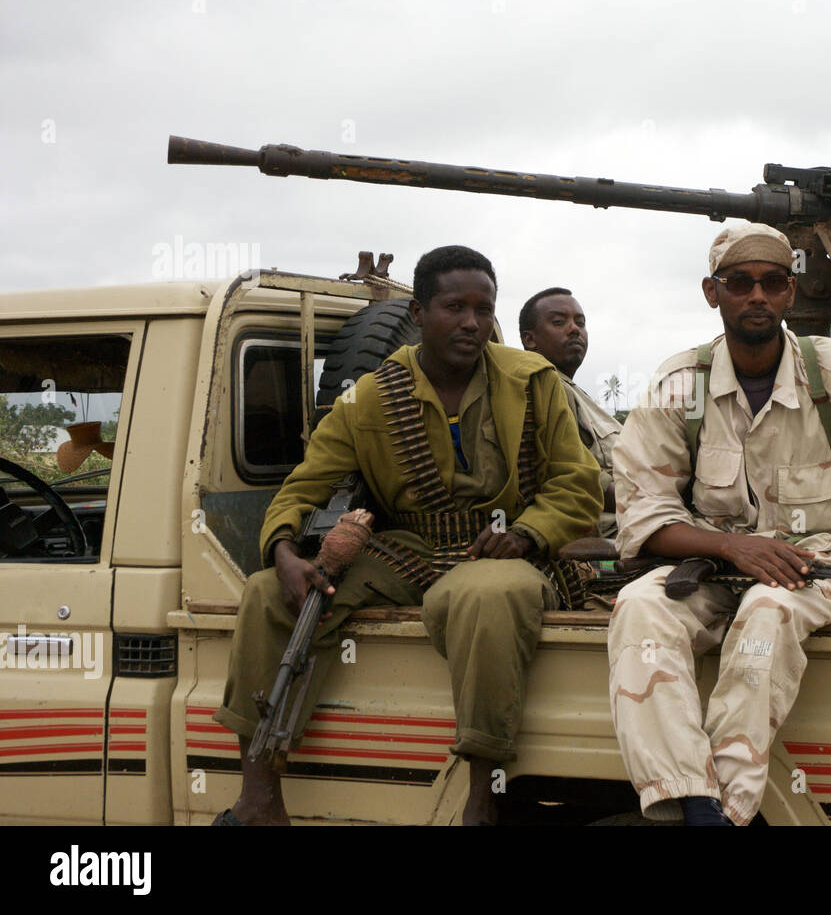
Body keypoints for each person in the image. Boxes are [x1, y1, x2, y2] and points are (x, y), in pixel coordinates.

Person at [212, 245, 602, 826]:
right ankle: (259, 796)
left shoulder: (531, 381)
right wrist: (286, 552)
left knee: (484, 595)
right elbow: (303, 486)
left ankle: (481, 794)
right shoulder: (372, 396)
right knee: (269, 594)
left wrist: (525, 534)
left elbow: (577, 484)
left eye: (483, 309)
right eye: (454, 307)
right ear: (417, 313)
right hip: (410, 549)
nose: (471, 322)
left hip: (503, 547)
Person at [608, 223, 831, 826]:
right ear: (713, 293)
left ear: (791, 293)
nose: (757, 296)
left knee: (771, 610)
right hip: (711, 564)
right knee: (637, 606)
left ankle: (722, 813)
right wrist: (733, 546)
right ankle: (691, 798)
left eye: (773, 282)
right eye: (740, 283)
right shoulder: (679, 385)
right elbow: (644, 510)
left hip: (818, 563)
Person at [519, 287, 621, 537]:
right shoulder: (540, 387)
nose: (574, 329)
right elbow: (570, 478)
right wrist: (652, 499)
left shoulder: (572, 390)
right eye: (558, 322)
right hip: (608, 534)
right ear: (529, 339)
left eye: (580, 322)